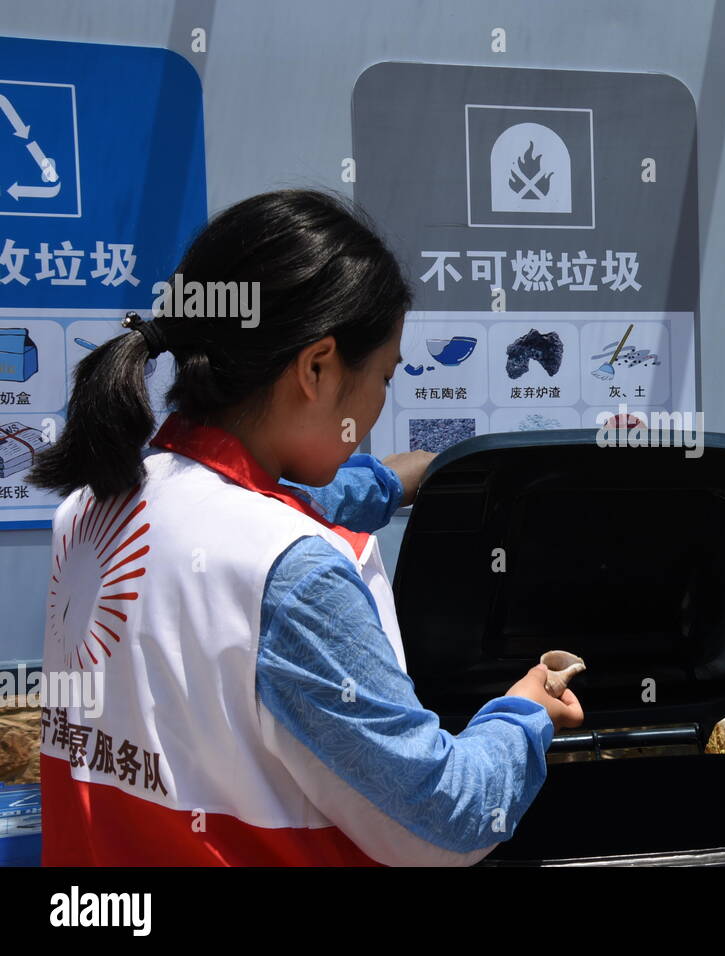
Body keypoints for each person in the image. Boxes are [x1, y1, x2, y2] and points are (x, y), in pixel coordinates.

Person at [29, 189, 582, 866]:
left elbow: (257, 501)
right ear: (317, 367)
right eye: (384, 374)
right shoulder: (293, 574)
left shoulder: (93, 506)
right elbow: (443, 816)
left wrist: (405, 479)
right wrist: (520, 715)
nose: (381, 403)